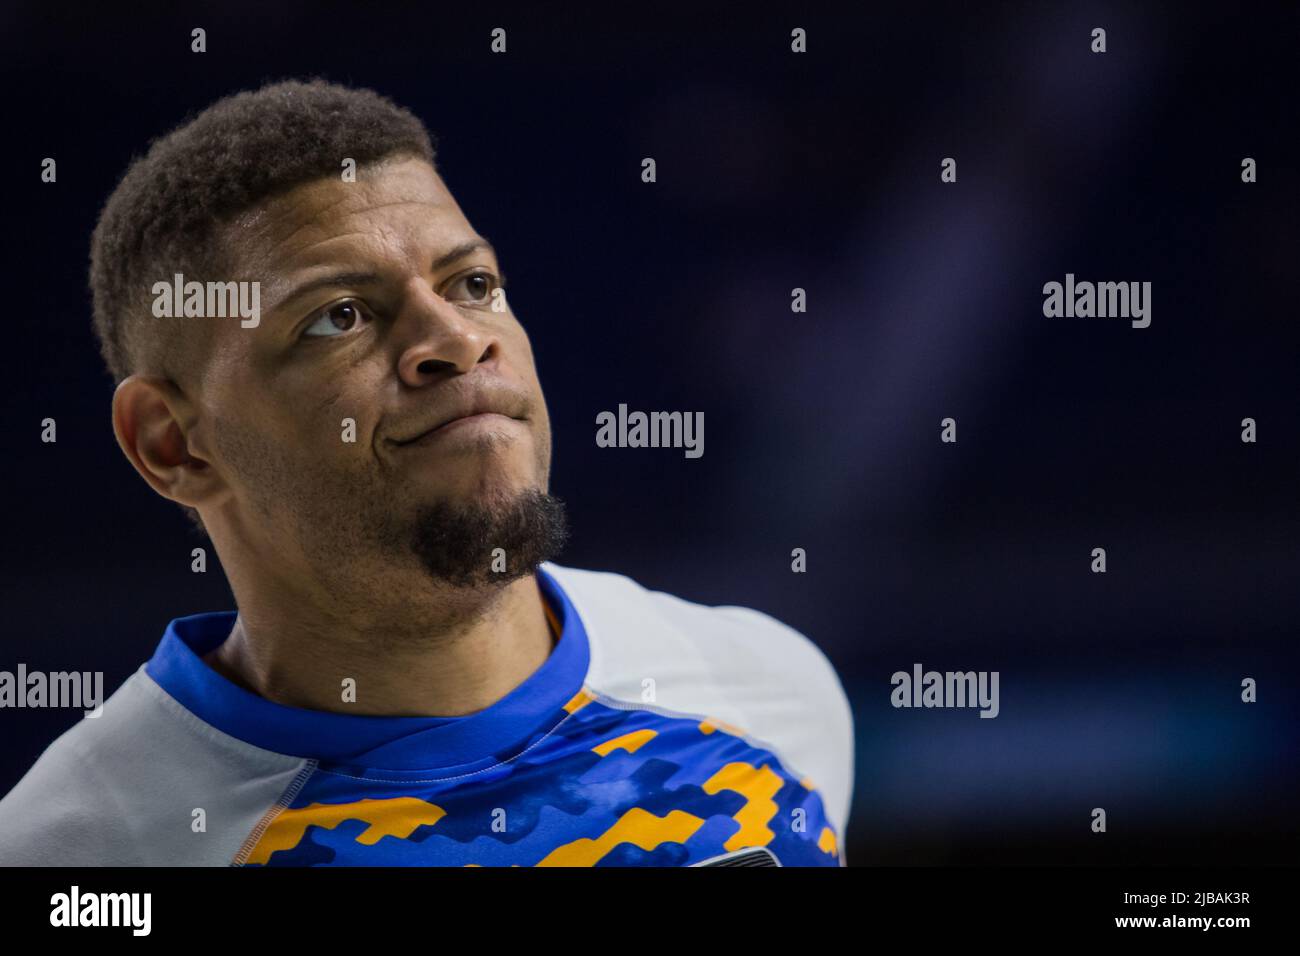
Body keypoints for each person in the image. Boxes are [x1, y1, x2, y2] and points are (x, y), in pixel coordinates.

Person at [0, 79, 853, 866]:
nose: (454, 339)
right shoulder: (76, 856)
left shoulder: (771, 695)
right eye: (339, 316)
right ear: (172, 444)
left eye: (472, 282)